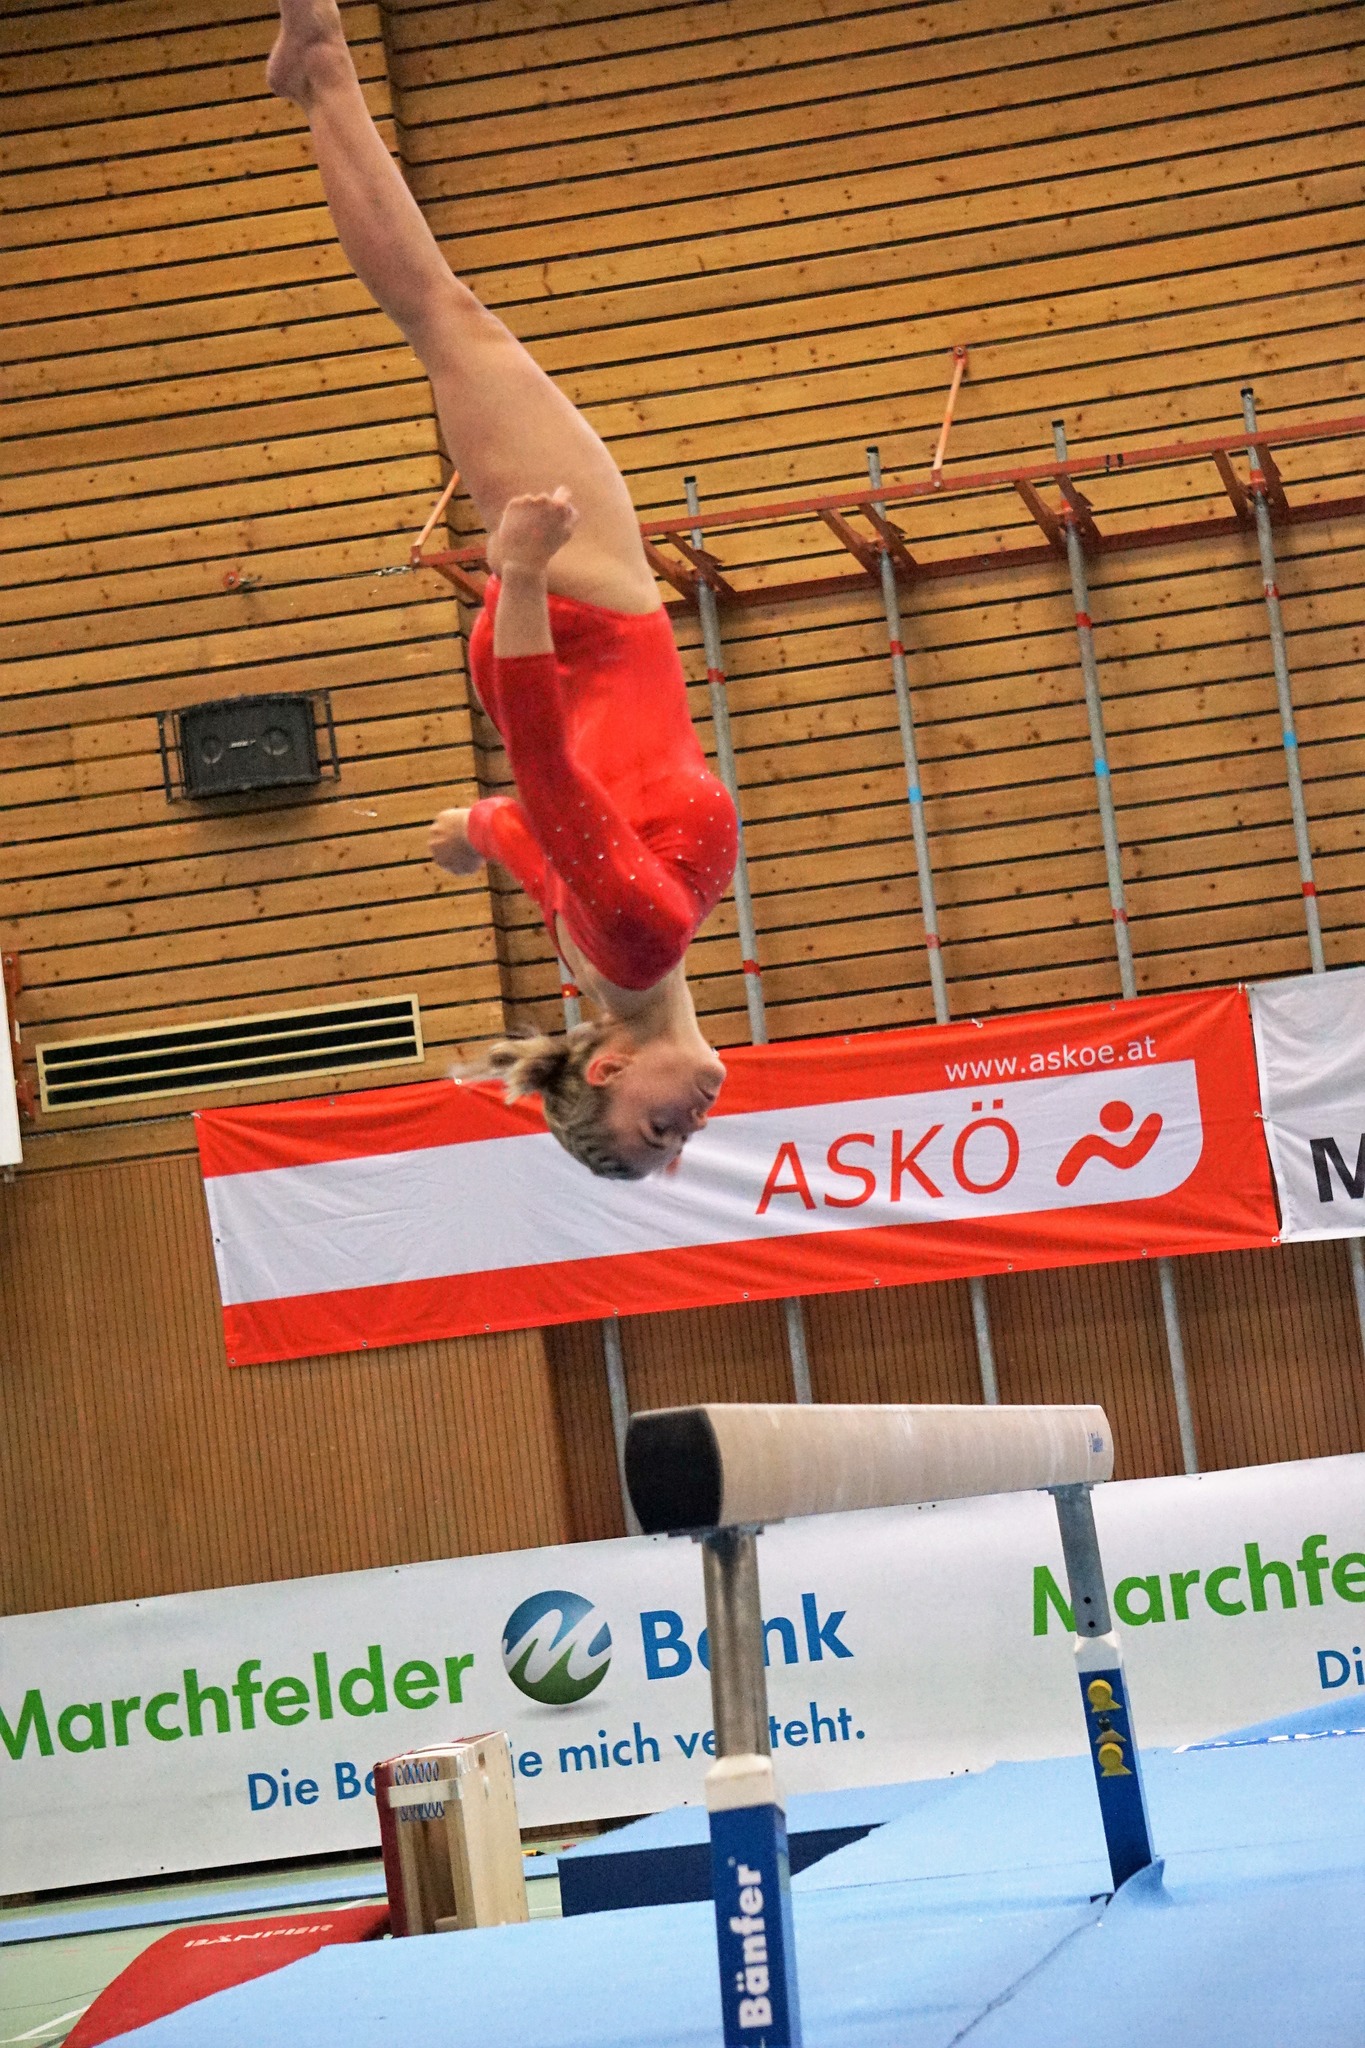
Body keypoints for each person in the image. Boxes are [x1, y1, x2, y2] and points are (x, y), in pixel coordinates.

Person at [268, 0, 739, 1179]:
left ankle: (320, 64)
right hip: (570, 624)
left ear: (607, 1069)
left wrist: (520, 575)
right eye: (686, 1143)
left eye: (660, 1127)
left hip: (575, 616)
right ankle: (315, 72)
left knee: (443, 318)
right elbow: (532, 827)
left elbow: (542, 767)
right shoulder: (616, 961)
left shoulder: (641, 936)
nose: (697, 1123)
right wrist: (468, 834)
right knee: (443, 323)